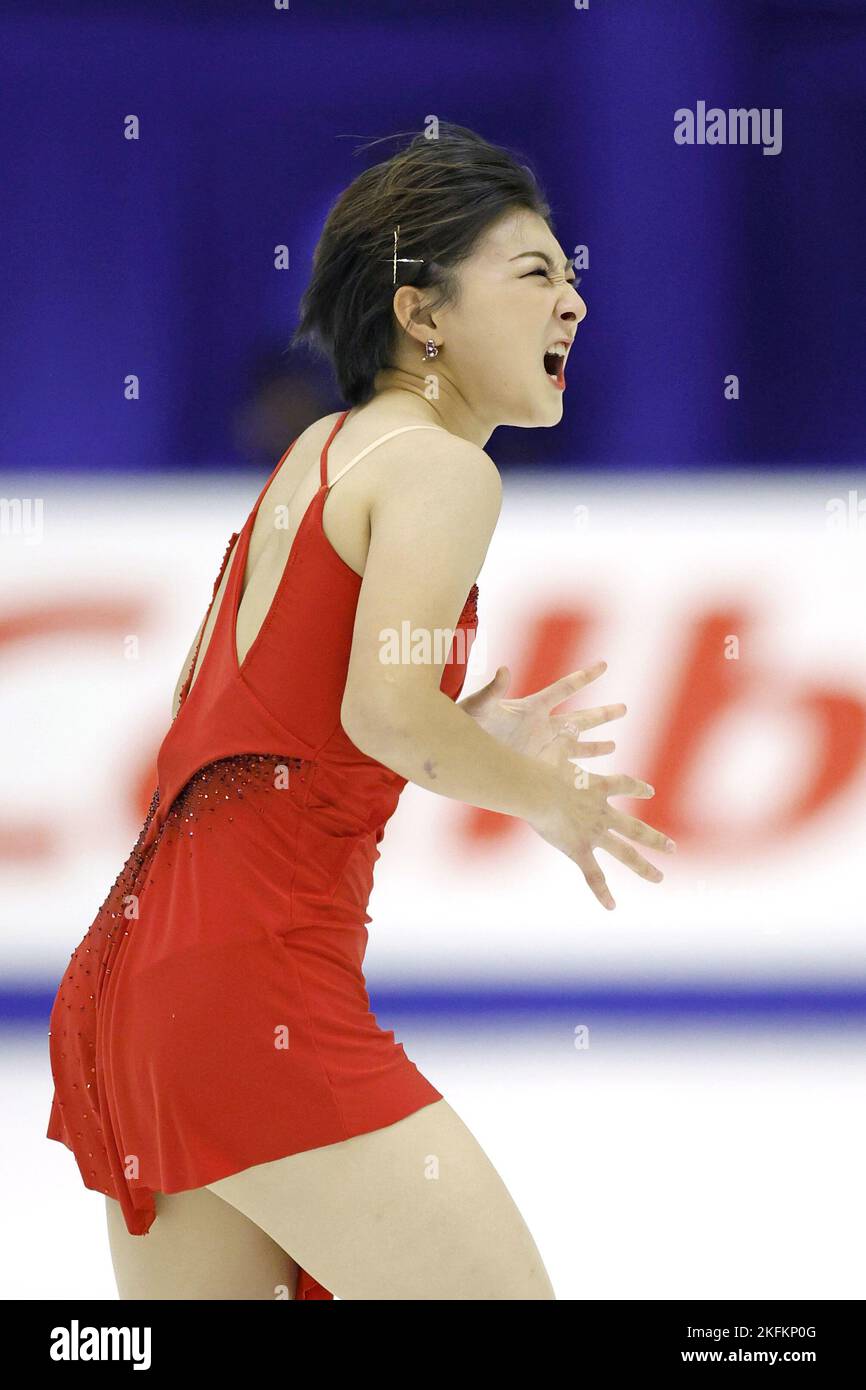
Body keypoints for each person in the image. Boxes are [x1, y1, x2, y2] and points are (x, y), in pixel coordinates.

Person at [46, 123, 674, 1301]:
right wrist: (550, 798)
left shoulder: (316, 455)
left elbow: (220, 716)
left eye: (571, 275)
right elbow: (384, 715)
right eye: (535, 274)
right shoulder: (442, 469)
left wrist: (467, 731)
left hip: (139, 986)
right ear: (420, 315)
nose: (574, 303)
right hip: (252, 988)